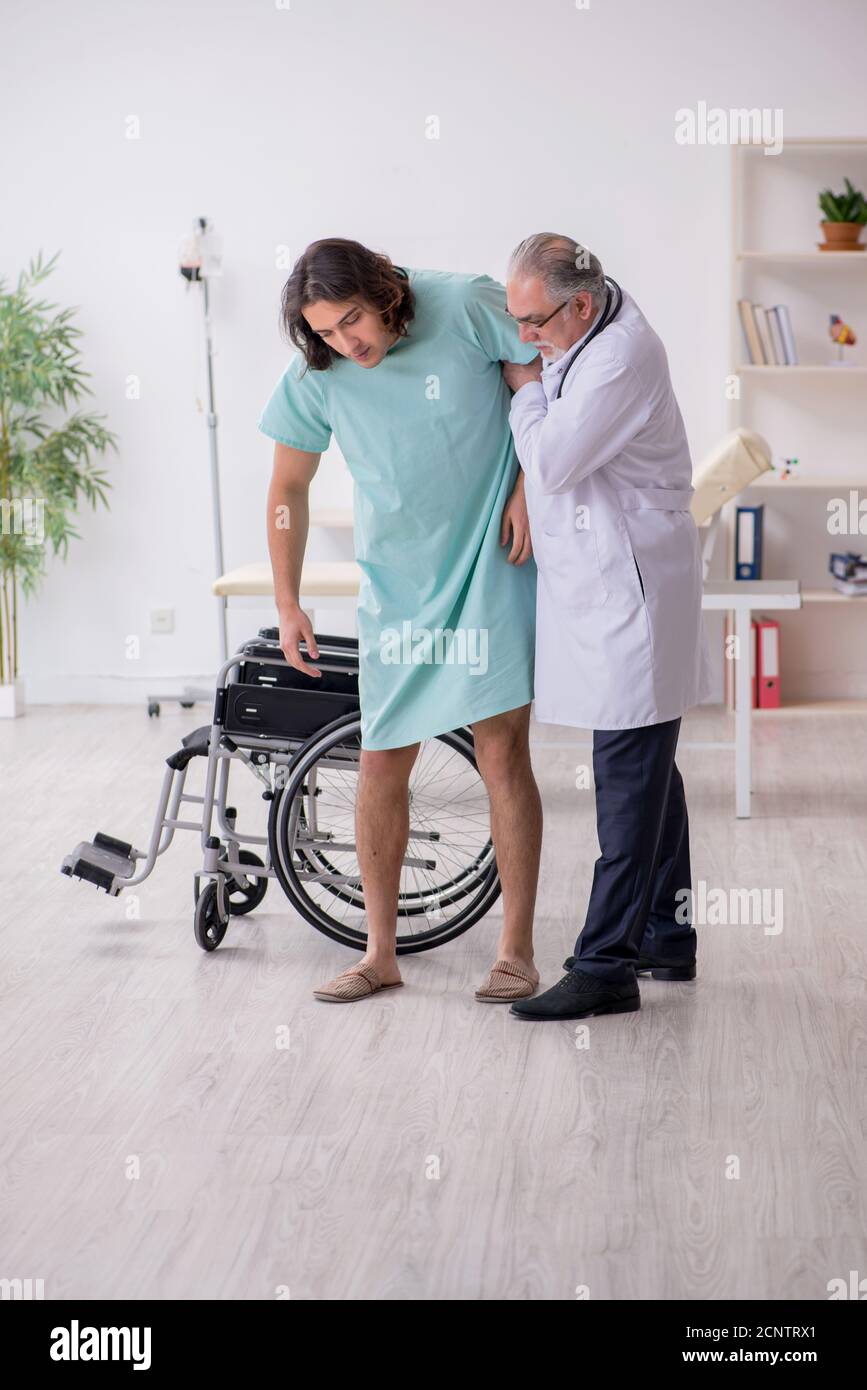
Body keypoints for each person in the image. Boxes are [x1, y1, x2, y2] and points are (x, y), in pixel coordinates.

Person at [259, 238, 544, 1004]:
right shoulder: (321, 371)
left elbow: (543, 381)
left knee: (500, 751)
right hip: (397, 586)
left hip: (490, 564)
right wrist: (287, 603)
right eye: (325, 333)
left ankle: (514, 951)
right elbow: (288, 484)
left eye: (352, 320)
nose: (346, 343)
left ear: (385, 290)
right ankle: (378, 953)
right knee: (382, 759)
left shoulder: (465, 302)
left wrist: (529, 486)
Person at [501, 233, 712, 1023]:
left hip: (632, 586)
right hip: (612, 576)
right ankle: (666, 932)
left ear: (579, 304)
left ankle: (605, 967)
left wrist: (525, 390)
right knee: (650, 765)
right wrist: (542, 376)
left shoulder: (619, 354)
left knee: (626, 774)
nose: (525, 337)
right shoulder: (585, 325)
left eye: (534, 322)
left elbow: (551, 462)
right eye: (517, 322)